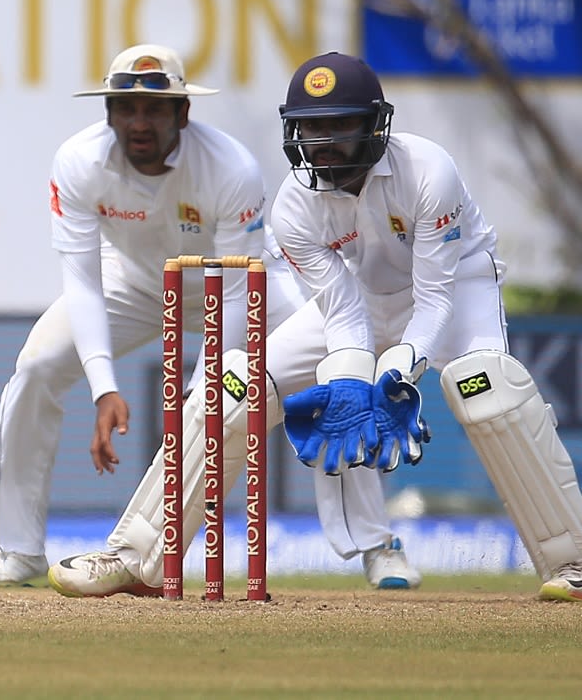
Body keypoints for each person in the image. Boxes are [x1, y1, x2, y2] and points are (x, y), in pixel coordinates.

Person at [52, 51, 582, 603]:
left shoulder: (428, 171)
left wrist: (399, 369)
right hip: (361, 295)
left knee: (487, 388)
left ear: (374, 124)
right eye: (310, 128)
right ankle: (139, 558)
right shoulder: (293, 207)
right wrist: (351, 378)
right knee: (232, 389)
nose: (322, 142)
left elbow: (434, 299)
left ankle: (573, 561)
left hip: (456, 287)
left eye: (339, 127)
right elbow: (344, 311)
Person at [0, 45, 416, 591]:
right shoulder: (78, 162)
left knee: (329, 381)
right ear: (107, 112)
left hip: (246, 284)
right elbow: (82, 281)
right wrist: (104, 388)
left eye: (154, 109)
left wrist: (199, 401)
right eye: (125, 108)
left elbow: (229, 297)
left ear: (182, 112)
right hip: (130, 280)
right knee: (35, 367)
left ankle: (376, 545)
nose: (138, 123)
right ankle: (16, 549)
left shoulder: (229, 168)